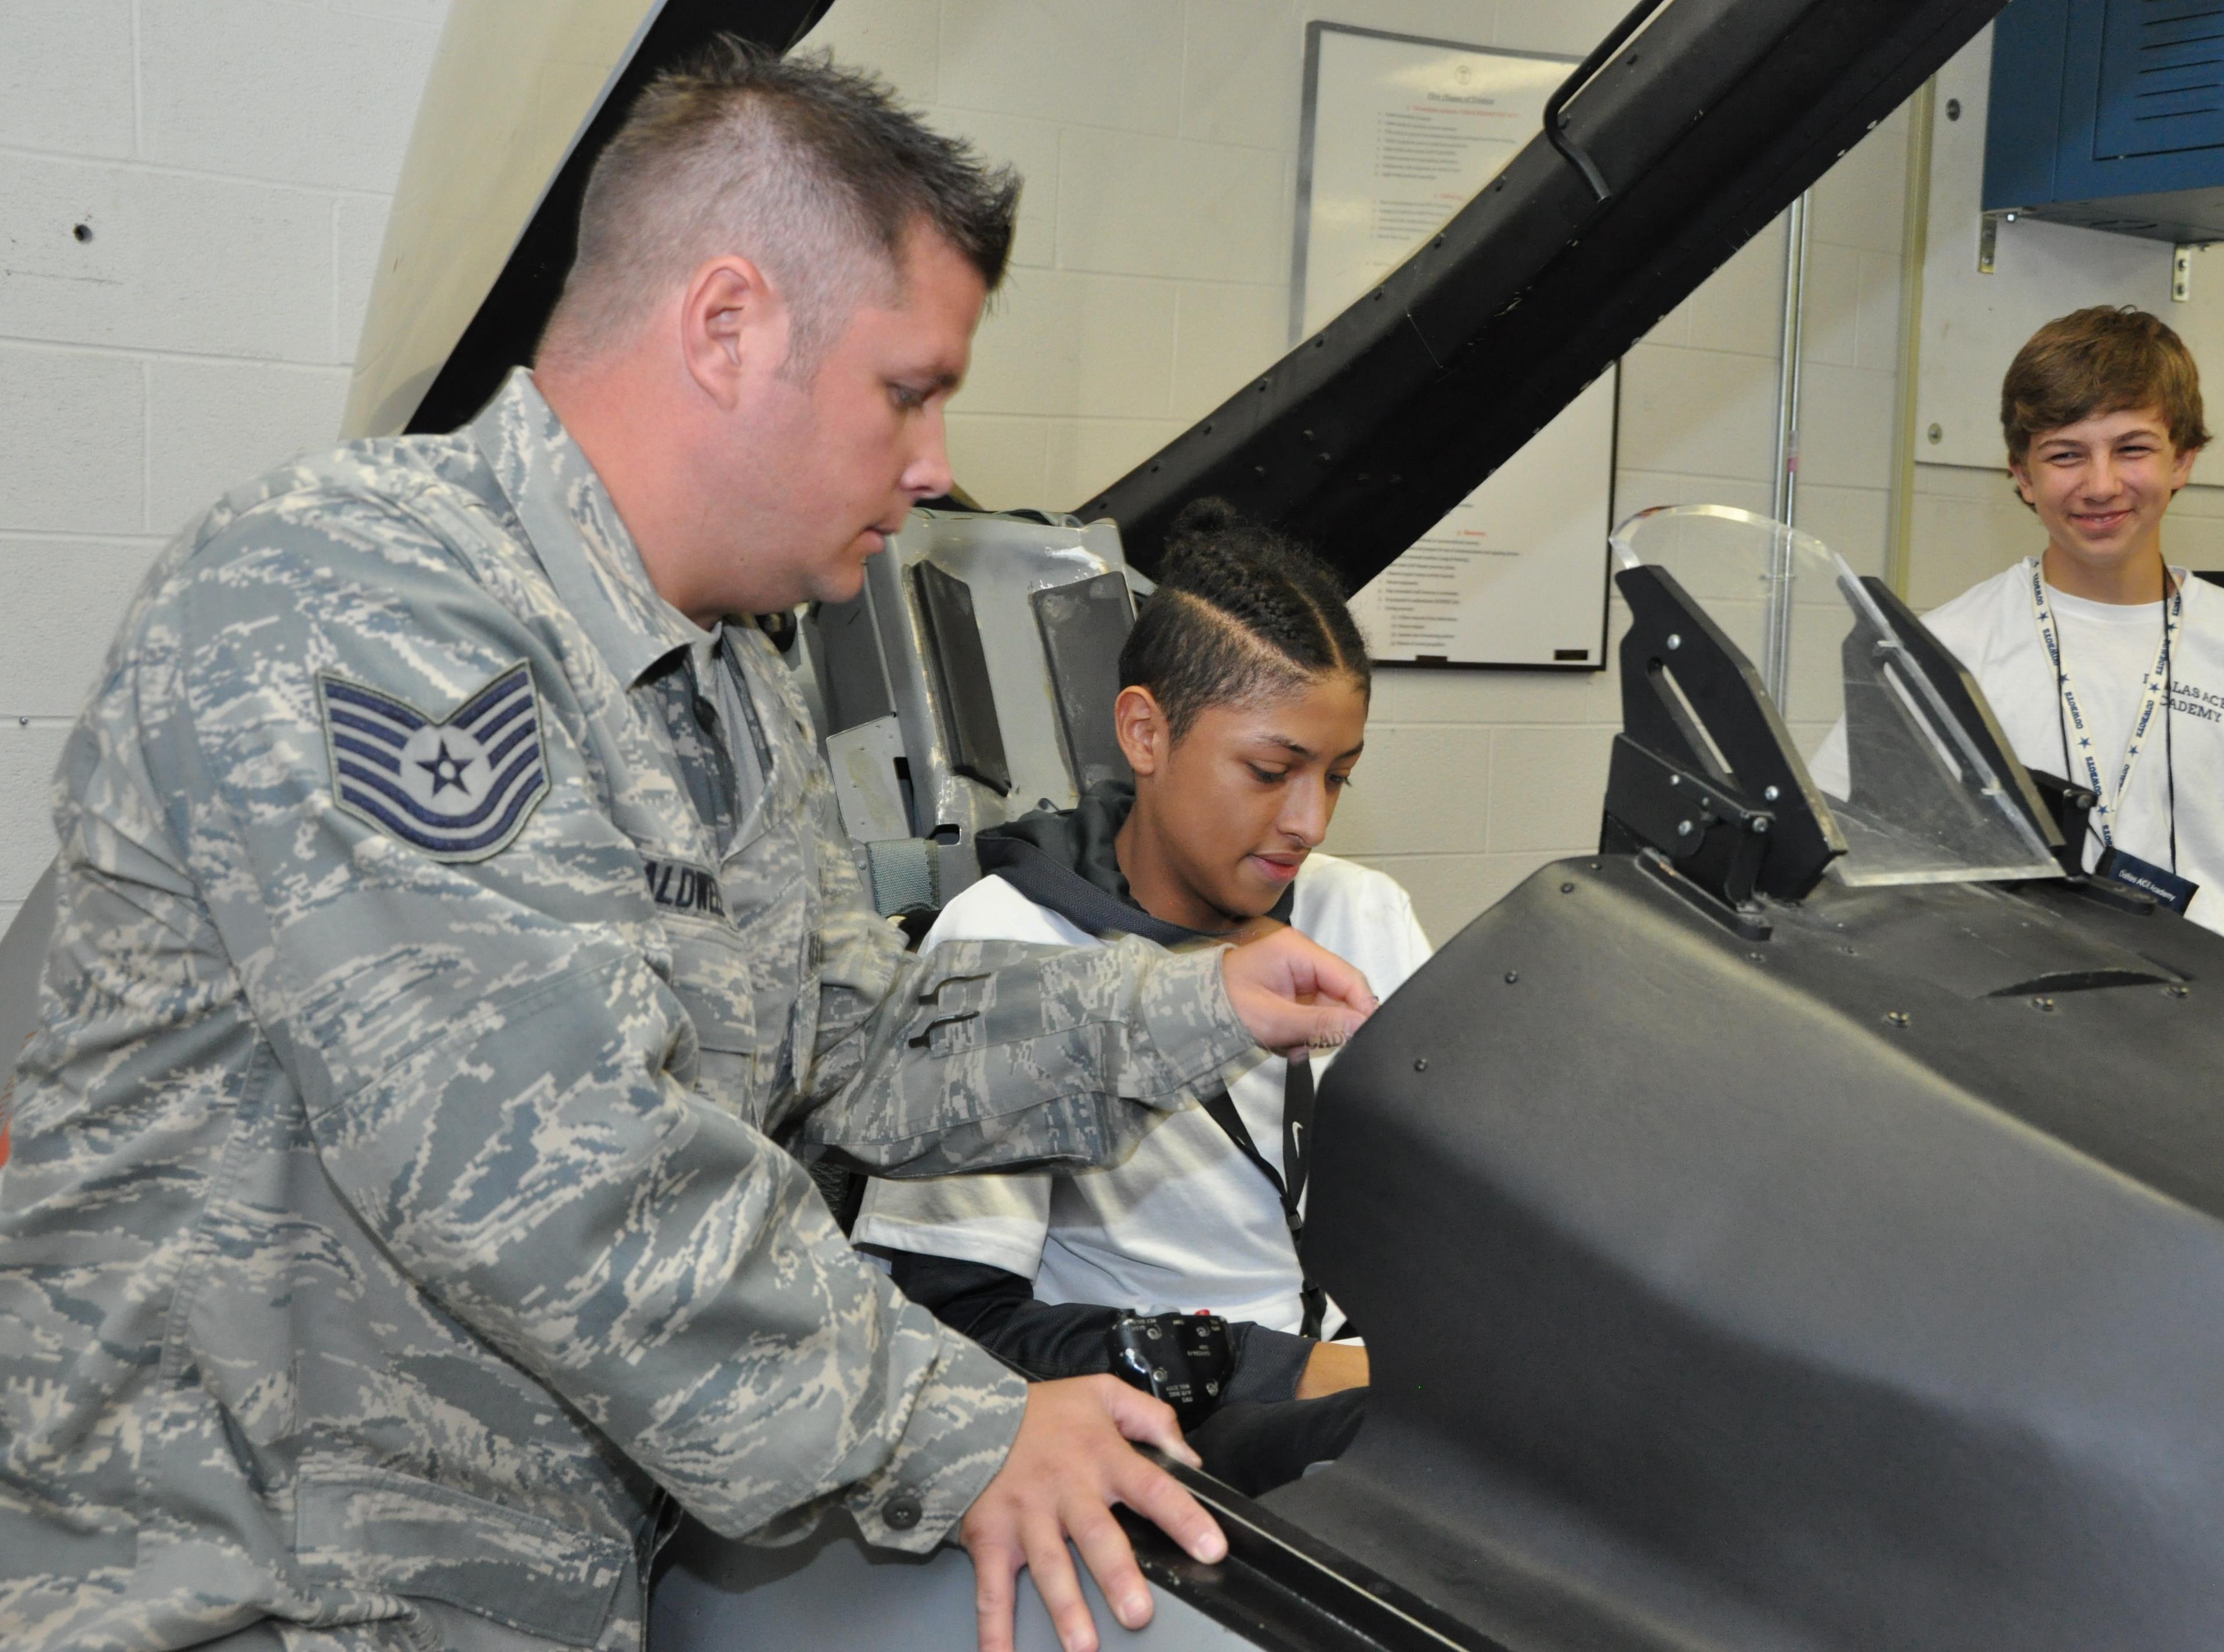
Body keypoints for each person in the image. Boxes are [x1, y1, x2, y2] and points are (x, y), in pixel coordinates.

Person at [0, 46, 1380, 1652]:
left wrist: (1202, 1006)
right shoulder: (356, 598)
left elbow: (858, 1046)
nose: (935, 464)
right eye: (908, 390)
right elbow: (550, 1165)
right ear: (727, 329)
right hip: (249, 1602)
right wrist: (969, 1425)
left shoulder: (729, 685)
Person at [854, 502, 1430, 1496]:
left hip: (1375, 1408)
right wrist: (1272, 1367)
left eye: (1338, 776)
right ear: (1144, 731)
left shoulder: (1363, 911)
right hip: (1166, 1447)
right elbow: (944, 1323)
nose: (1308, 819)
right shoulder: (1006, 942)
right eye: (1271, 769)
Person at [1918, 305, 2224, 976]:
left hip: (2196, 1035)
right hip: (1994, 1022)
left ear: (2183, 459)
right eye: (2065, 455)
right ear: (2022, 475)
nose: (2102, 484)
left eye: (2132, 448)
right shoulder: (1946, 648)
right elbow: (1864, 852)